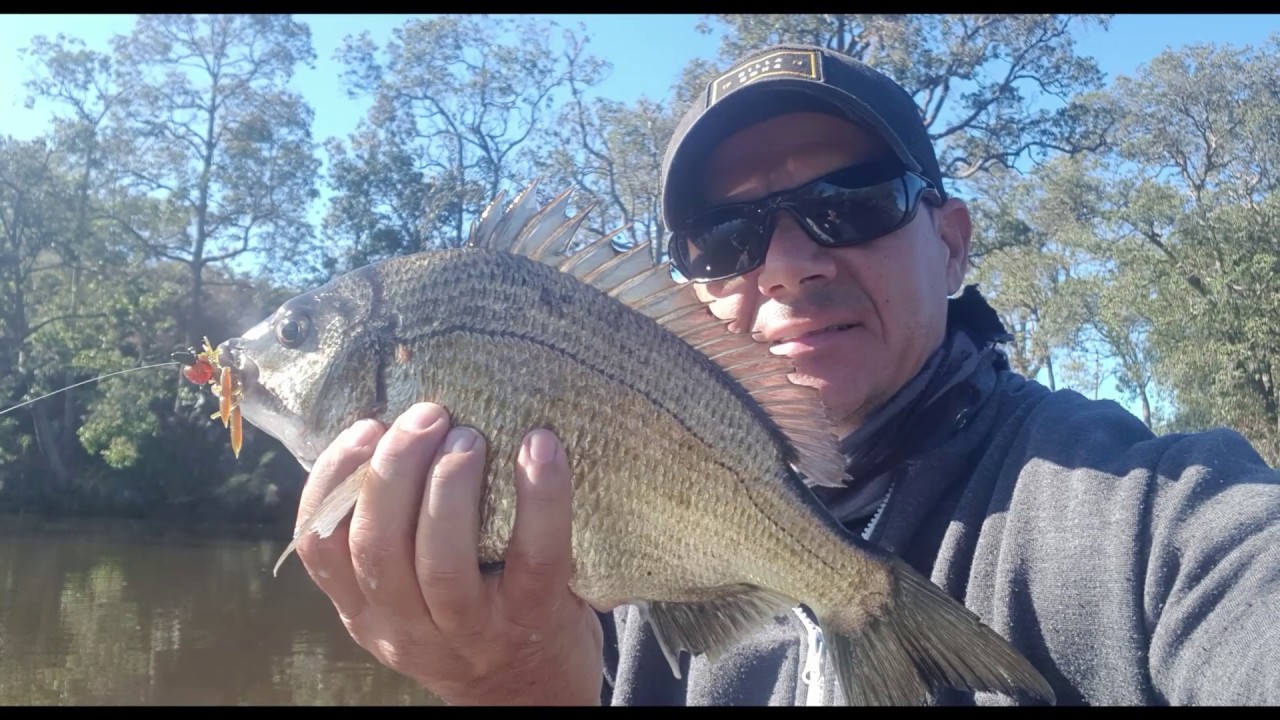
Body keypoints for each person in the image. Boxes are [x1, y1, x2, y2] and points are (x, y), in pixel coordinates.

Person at [288, 43, 1280, 706]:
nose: (791, 263)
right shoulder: (572, 583)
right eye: (726, 239)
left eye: (851, 203)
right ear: (681, 299)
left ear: (951, 242)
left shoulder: (1159, 519)